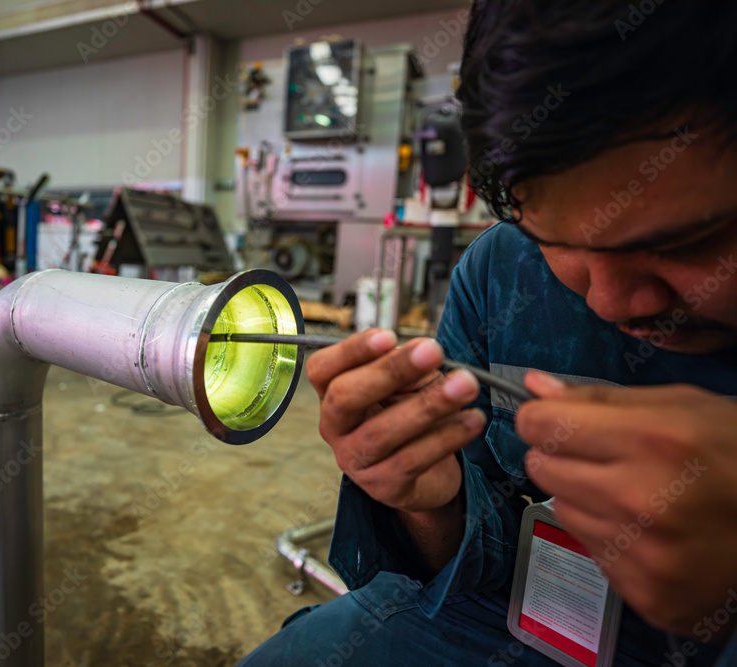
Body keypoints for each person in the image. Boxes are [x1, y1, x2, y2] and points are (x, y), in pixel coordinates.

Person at [240, 1, 737, 665]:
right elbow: (478, 549)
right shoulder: (500, 272)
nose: (613, 299)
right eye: (558, 240)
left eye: (686, 242)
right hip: (521, 613)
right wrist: (428, 500)